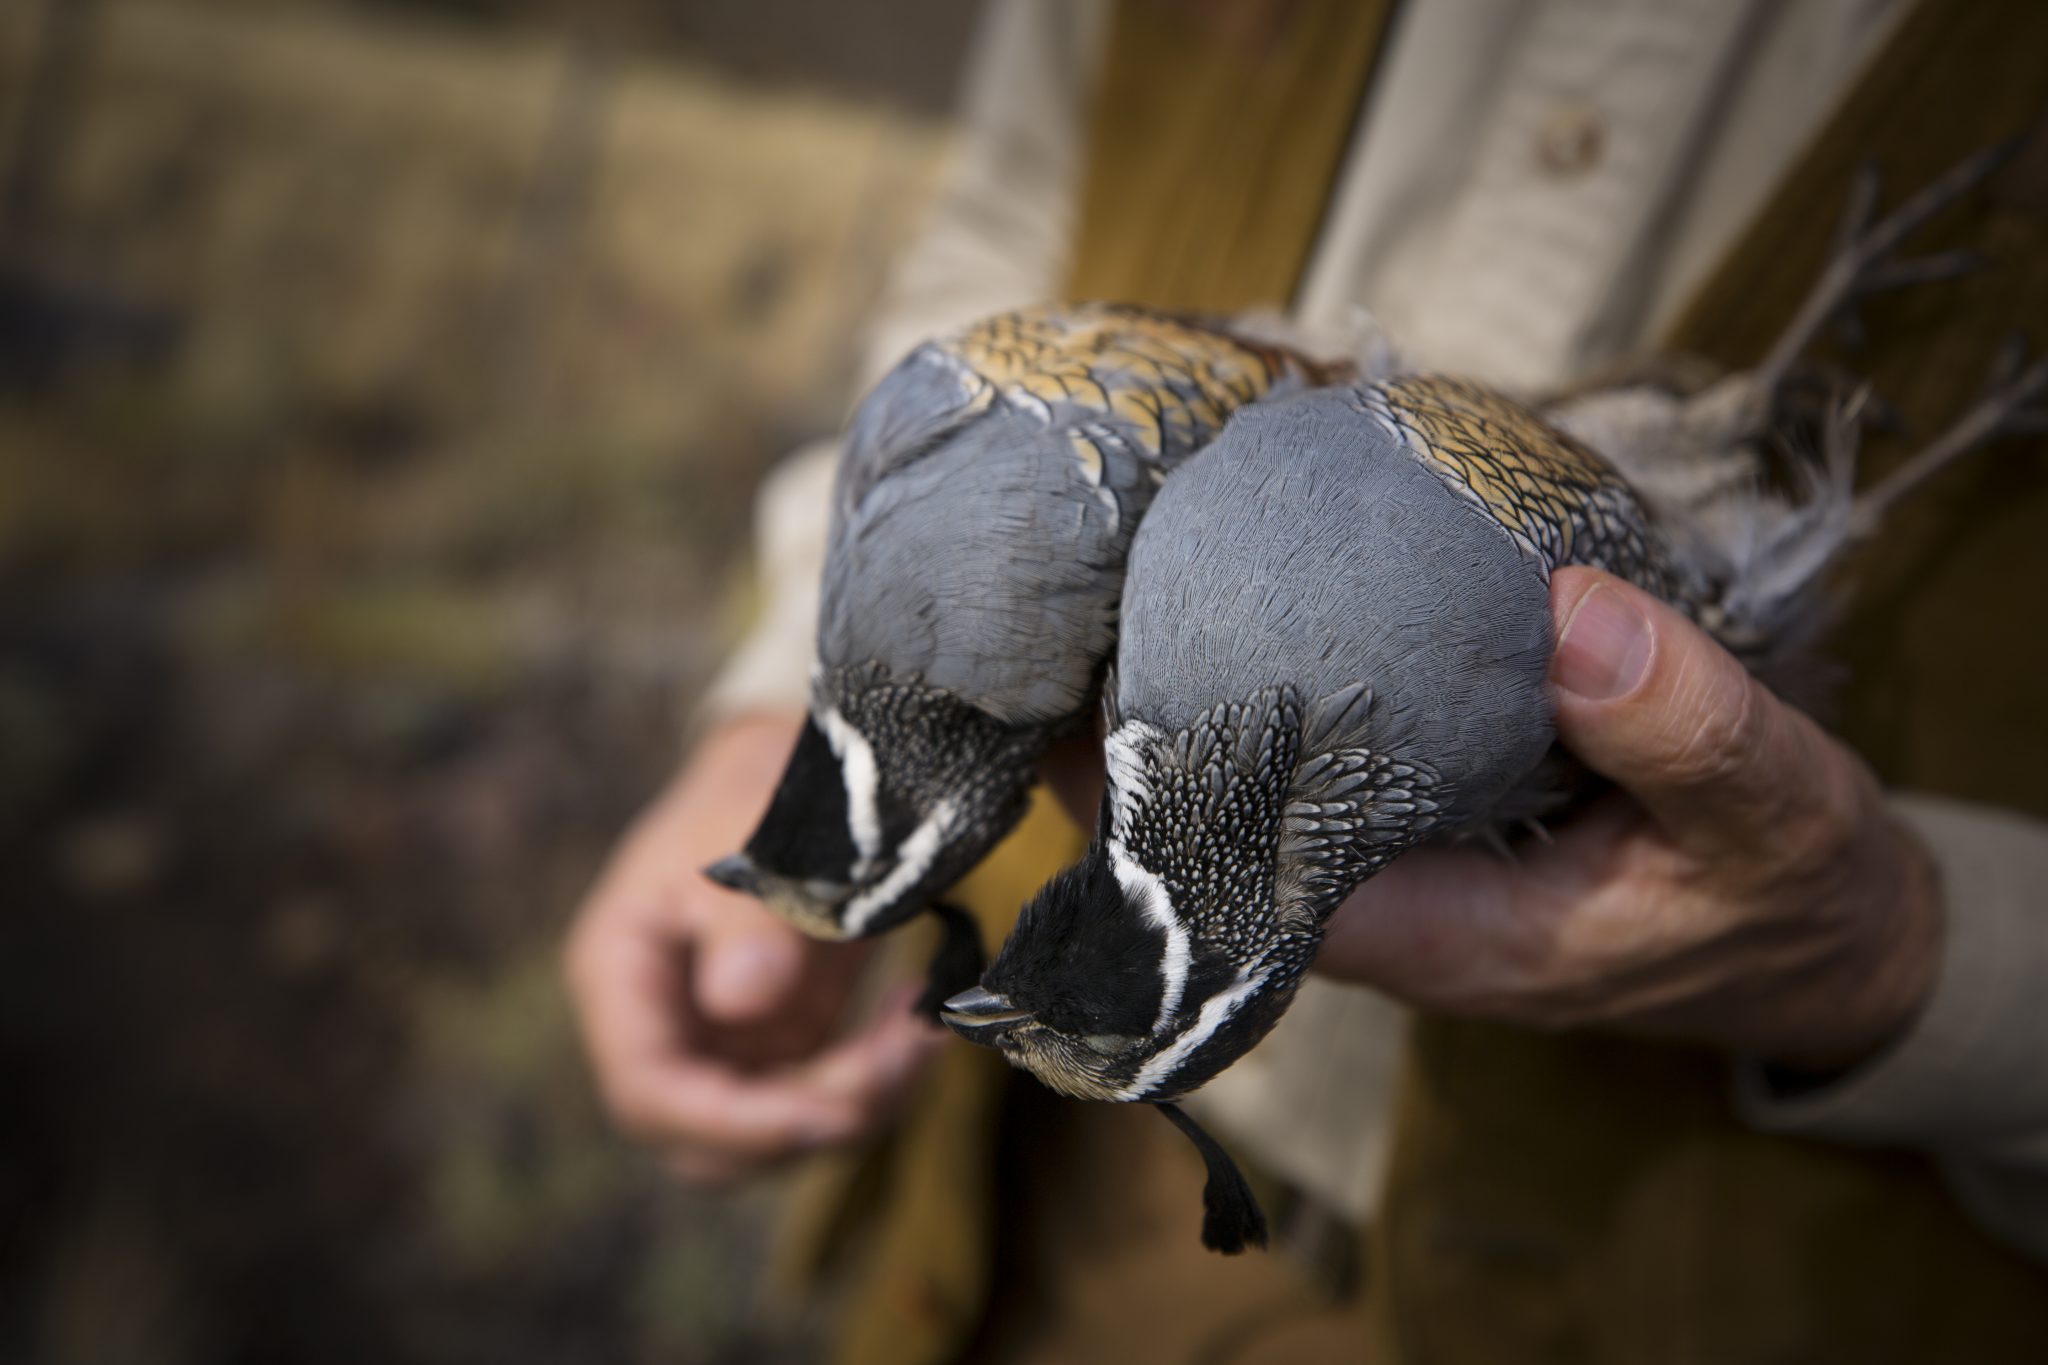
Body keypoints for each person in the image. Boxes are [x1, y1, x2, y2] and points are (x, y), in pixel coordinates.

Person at [566, 1, 2048, 1359]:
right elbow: (1013, 210)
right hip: (1050, 1217)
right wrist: (792, 703)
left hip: (1723, 1265)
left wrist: (1912, 956)